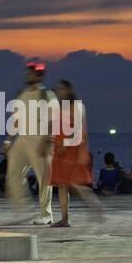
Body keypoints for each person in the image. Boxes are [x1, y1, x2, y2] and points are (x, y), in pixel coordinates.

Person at [5, 61, 57, 225]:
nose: (27, 75)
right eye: (26, 73)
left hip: (40, 139)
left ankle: (46, 214)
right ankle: (23, 208)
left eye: (30, 73)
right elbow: (16, 120)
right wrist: (8, 140)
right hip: (22, 139)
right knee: (13, 172)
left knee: (44, 179)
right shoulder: (22, 94)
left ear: (39, 76)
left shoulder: (47, 95)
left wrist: (48, 140)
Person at [48, 80, 101, 227]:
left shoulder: (77, 106)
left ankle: (94, 205)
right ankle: (65, 218)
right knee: (62, 185)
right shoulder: (58, 107)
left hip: (72, 150)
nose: (58, 91)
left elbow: (78, 130)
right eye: (57, 88)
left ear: (69, 90)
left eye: (61, 88)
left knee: (73, 183)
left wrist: (64, 145)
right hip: (59, 150)